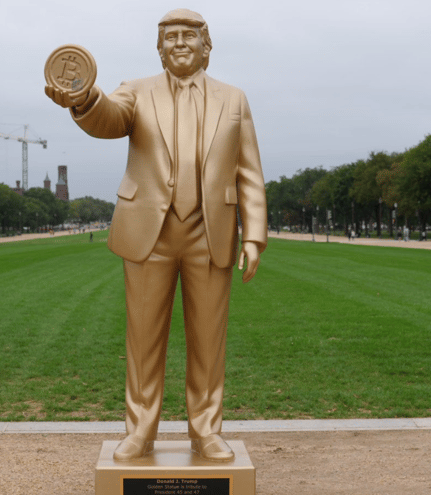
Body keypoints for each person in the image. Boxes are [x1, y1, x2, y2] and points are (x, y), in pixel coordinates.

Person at [45, 9, 267, 462]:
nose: (180, 42)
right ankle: (139, 432)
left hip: (212, 231)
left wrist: (254, 235)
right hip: (150, 233)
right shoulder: (136, 91)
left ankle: (206, 431)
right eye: (170, 36)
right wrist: (83, 98)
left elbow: (249, 171)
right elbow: (108, 118)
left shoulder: (235, 99)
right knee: (143, 341)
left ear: (208, 45)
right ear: (159, 47)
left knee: (209, 342)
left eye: (190, 35)